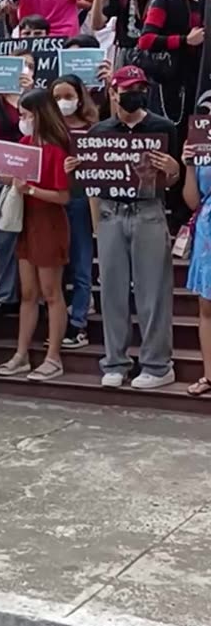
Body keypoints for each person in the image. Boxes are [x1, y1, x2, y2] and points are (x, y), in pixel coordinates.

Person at [69, 66, 180, 390]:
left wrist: (172, 169)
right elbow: (91, 182)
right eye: (128, 88)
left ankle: (158, 365)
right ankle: (115, 361)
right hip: (110, 212)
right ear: (113, 92)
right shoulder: (99, 131)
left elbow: (172, 178)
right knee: (113, 291)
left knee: (153, 293)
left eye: (139, 88)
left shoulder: (163, 126)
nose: (134, 94)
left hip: (148, 210)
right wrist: (76, 172)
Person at [0, 87, 70, 382]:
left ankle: (53, 357)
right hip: (26, 221)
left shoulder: (55, 149)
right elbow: (7, 175)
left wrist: (31, 189)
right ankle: (21, 353)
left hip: (49, 222)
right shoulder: (24, 143)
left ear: (40, 115)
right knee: (28, 293)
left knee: (51, 293)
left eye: (26, 114)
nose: (22, 119)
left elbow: (63, 196)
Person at [0, 55, 36, 313]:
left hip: (33, 173)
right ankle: (6, 295)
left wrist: (28, 91)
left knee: (34, 235)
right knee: (4, 238)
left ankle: (37, 296)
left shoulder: (35, 99)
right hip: (1, 177)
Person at [138, 0, 208, 133]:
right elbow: (146, 40)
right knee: (177, 132)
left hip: (203, 80)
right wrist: (185, 40)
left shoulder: (206, 0)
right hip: (175, 82)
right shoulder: (167, 0)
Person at [51, 74, 98, 347]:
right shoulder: (48, 129)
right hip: (52, 200)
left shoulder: (94, 128)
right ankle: (57, 320)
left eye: (68, 96)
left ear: (80, 97)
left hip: (81, 200)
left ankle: (78, 322)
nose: (63, 102)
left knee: (81, 263)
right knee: (56, 265)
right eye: (57, 98)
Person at [182, 140, 211, 397]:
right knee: (206, 306)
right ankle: (209, 375)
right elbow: (192, 200)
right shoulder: (200, 145)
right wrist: (189, 165)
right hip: (207, 230)